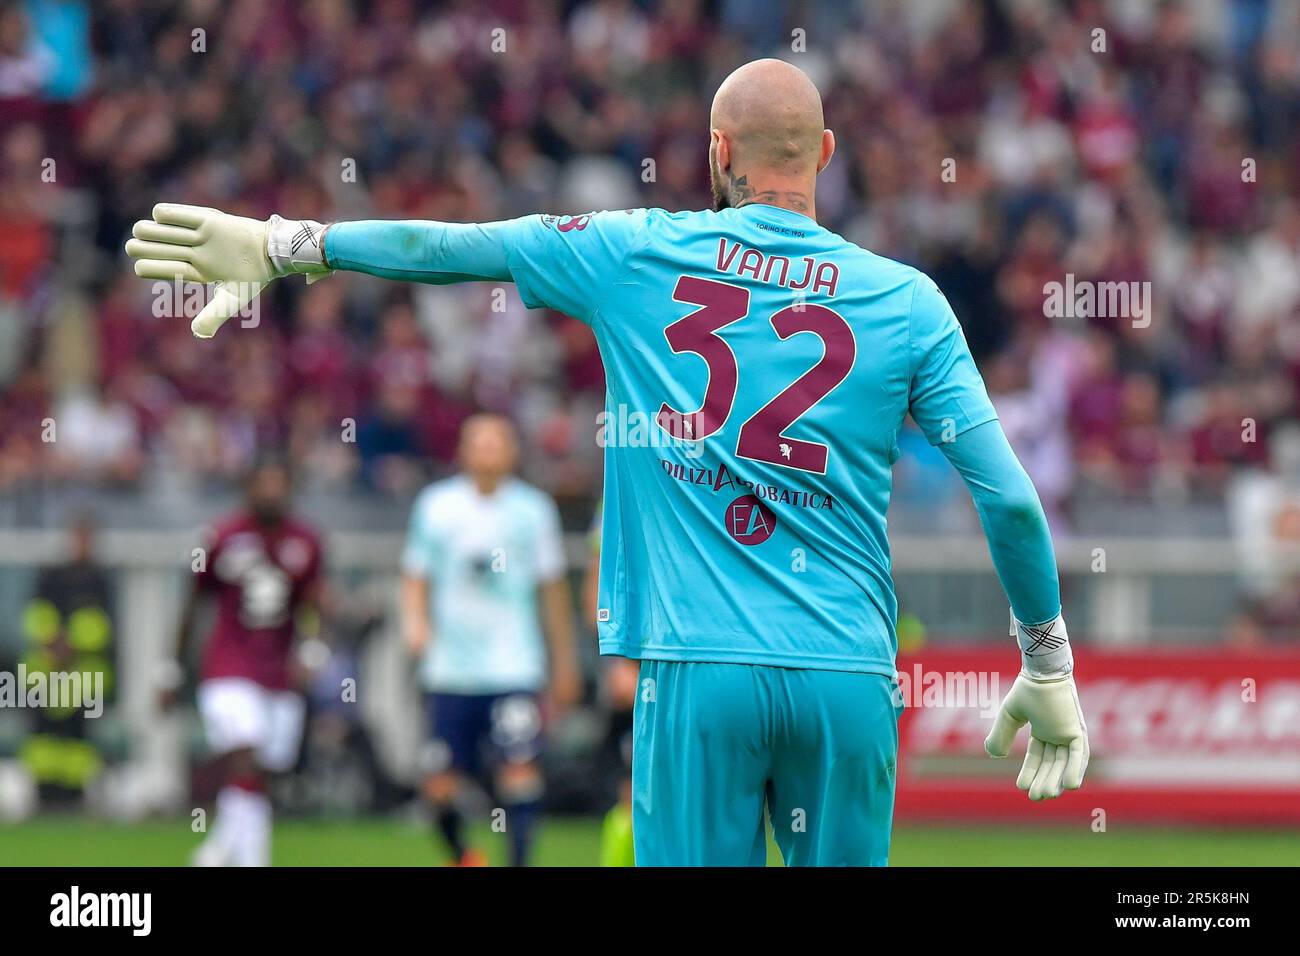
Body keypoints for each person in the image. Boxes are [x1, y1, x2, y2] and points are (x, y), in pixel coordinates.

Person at [127, 57, 1089, 866]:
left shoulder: (635, 252)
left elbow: (452, 247)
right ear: (826, 156)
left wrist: (288, 244)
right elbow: (1006, 496)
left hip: (697, 666)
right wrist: (1046, 660)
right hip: (844, 671)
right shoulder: (909, 300)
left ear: (717, 154)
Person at [400, 414, 580, 866]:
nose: (487, 452)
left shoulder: (533, 509)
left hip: (512, 665)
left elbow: (552, 590)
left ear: (512, 452)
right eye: (478, 443)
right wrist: (415, 623)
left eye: (496, 443)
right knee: (439, 781)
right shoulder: (436, 505)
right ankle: (465, 855)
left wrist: (565, 662)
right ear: (462, 451)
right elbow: (415, 575)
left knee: (519, 771)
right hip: (451, 669)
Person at [164, 456, 324, 866]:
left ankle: (216, 852)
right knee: (245, 754)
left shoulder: (306, 541)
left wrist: (312, 650)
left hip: (279, 672)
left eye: (279, 482)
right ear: (247, 487)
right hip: (229, 667)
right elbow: (192, 602)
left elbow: (316, 604)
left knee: (261, 773)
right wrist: (170, 666)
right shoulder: (220, 537)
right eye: (263, 482)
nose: (272, 492)